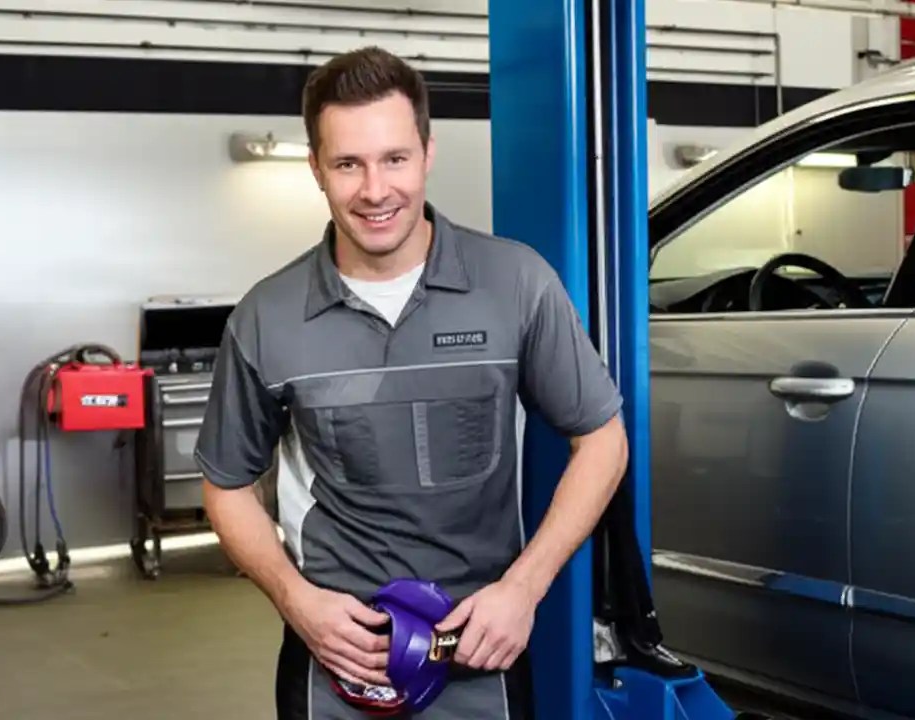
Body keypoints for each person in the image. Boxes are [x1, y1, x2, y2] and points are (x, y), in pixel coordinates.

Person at [194, 45, 629, 719]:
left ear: (428, 152)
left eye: (394, 158)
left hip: (483, 655)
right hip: (335, 666)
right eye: (348, 164)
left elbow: (601, 438)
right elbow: (225, 486)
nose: (375, 190)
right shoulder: (267, 316)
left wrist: (524, 589)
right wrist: (294, 599)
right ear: (317, 168)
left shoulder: (514, 284)